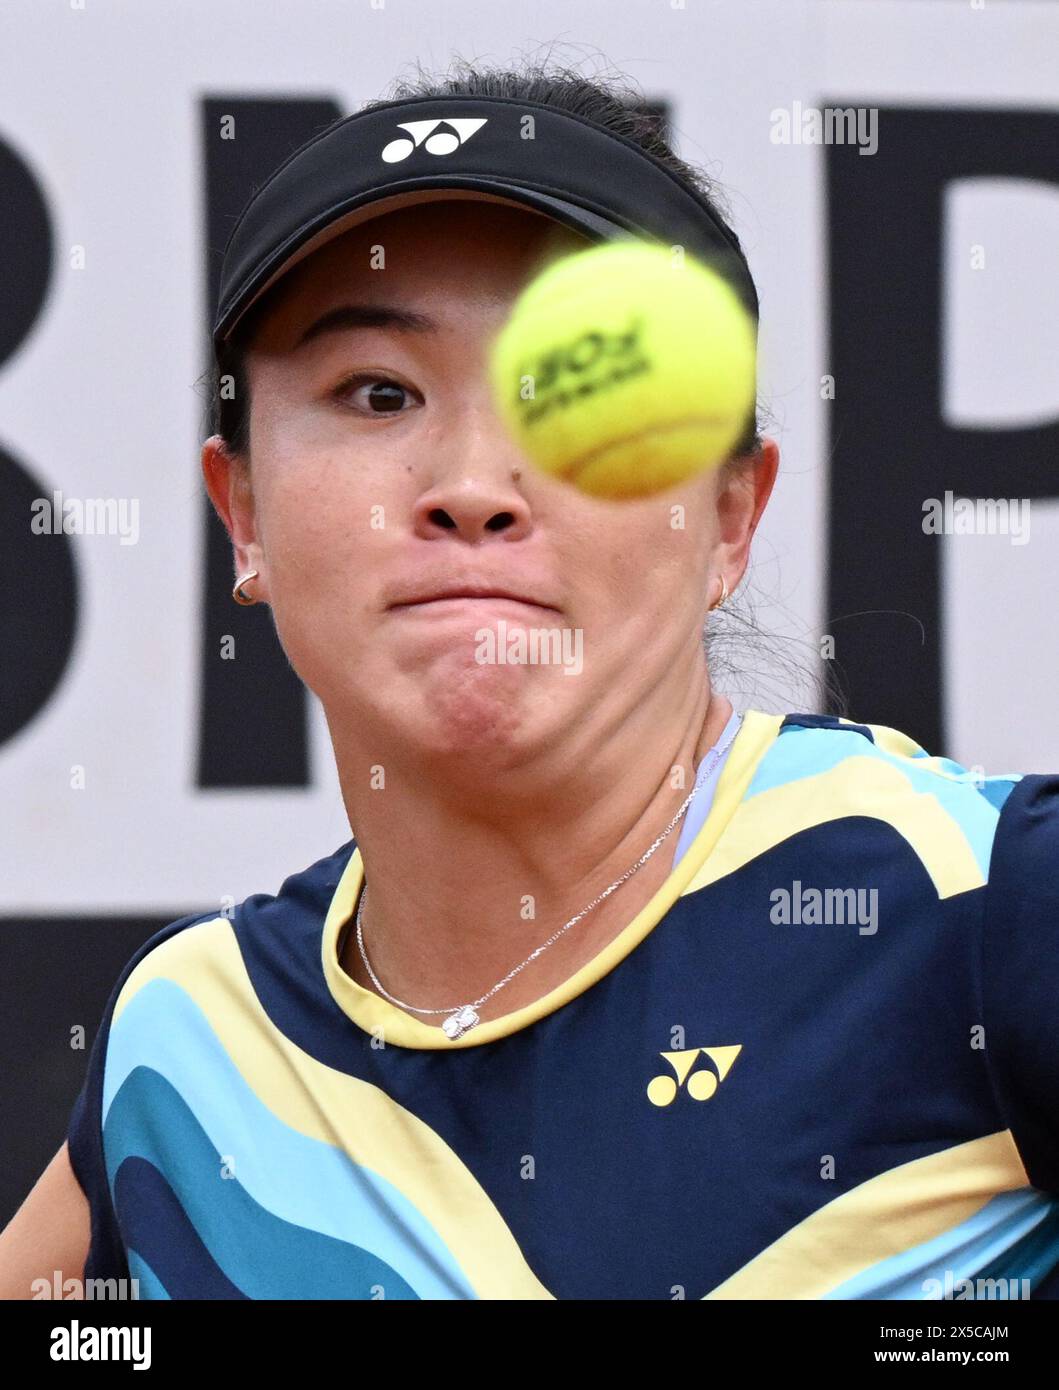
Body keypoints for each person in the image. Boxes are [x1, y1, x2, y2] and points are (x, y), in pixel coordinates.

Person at [3, 62, 1058, 1302]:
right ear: (243, 516)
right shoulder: (183, 1043)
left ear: (730, 516)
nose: (472, 480)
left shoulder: (992, 906)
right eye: (378, 393)